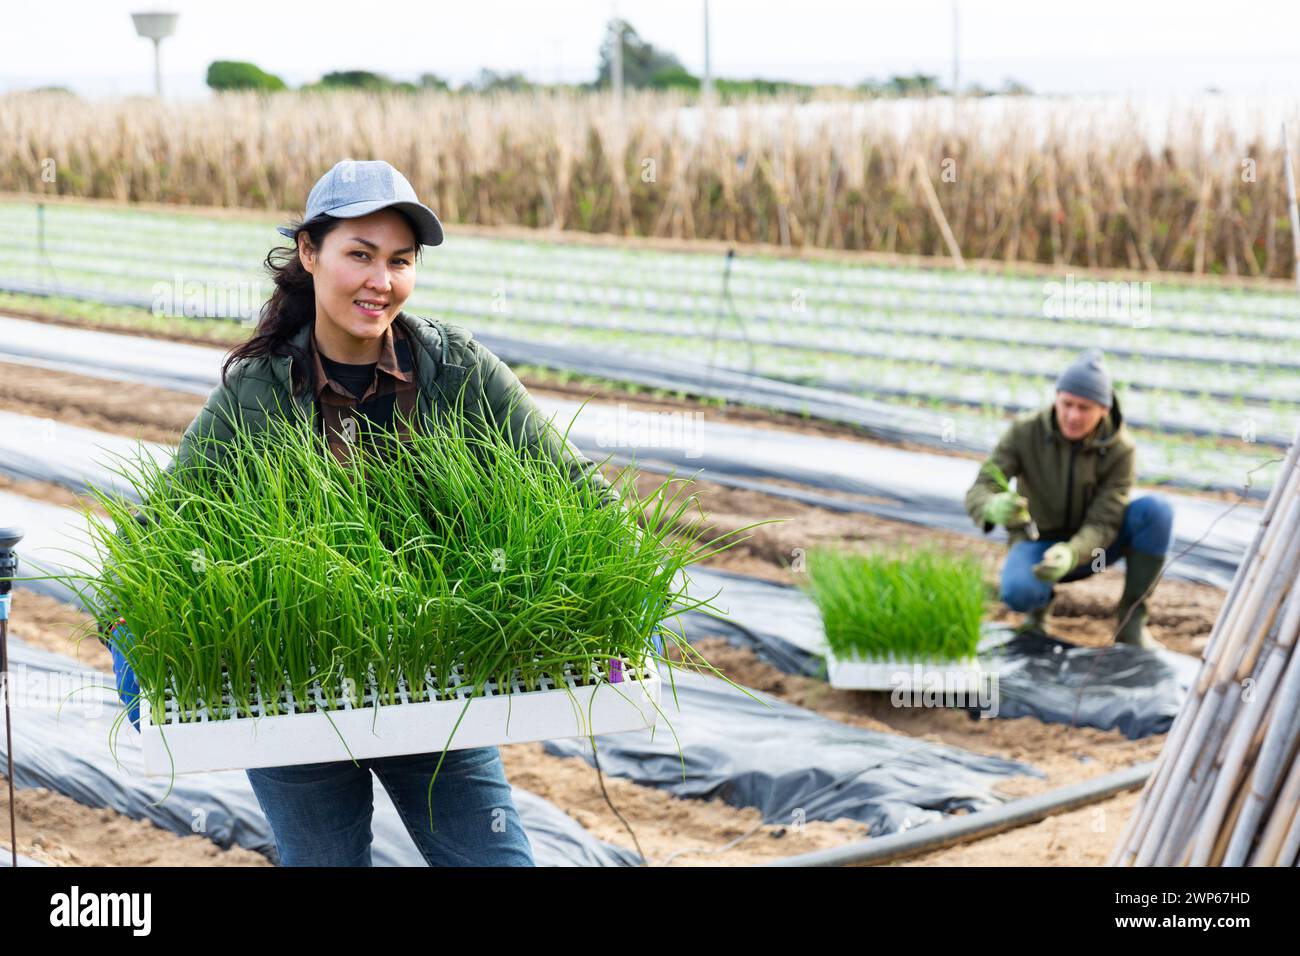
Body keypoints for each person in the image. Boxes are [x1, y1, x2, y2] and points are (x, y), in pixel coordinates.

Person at [101, 159, 623, 866]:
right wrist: (133, 634)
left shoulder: (457, 369)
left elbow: (575, 489)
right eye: (360, 255)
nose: (382, 281)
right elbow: (157, 534)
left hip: (429, 680)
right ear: (310, 254)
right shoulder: (257, 391)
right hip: (288, 692)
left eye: (400, 261)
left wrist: (624, 594)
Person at [964, 348, 1174, 650]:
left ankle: (1132, 622)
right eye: (1067, 404)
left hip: (1096, 548)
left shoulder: (1120, 450)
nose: (1073, 416)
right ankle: (1037, 612)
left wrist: (1073, 553)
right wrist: (992, 506)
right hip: (1039, 545)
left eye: (1085, 408)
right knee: (1018, 592)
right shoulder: (1026, 432)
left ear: (1103, 409)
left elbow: (1105, 520)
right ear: (1057, 398)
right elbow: (982, 485)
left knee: (1156, 512)